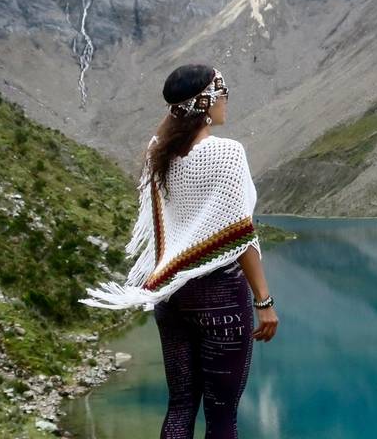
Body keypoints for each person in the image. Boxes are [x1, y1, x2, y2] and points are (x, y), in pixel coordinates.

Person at [80, 64, 279, 439]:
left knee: (180, 406)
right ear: (205, 102)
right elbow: (239, 234)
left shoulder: (159, 152)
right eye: (222, 92)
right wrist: (263, 301)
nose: (227, 100)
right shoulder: (227, 153)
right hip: (219, 295)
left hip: (170, 294)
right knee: (221, 417)